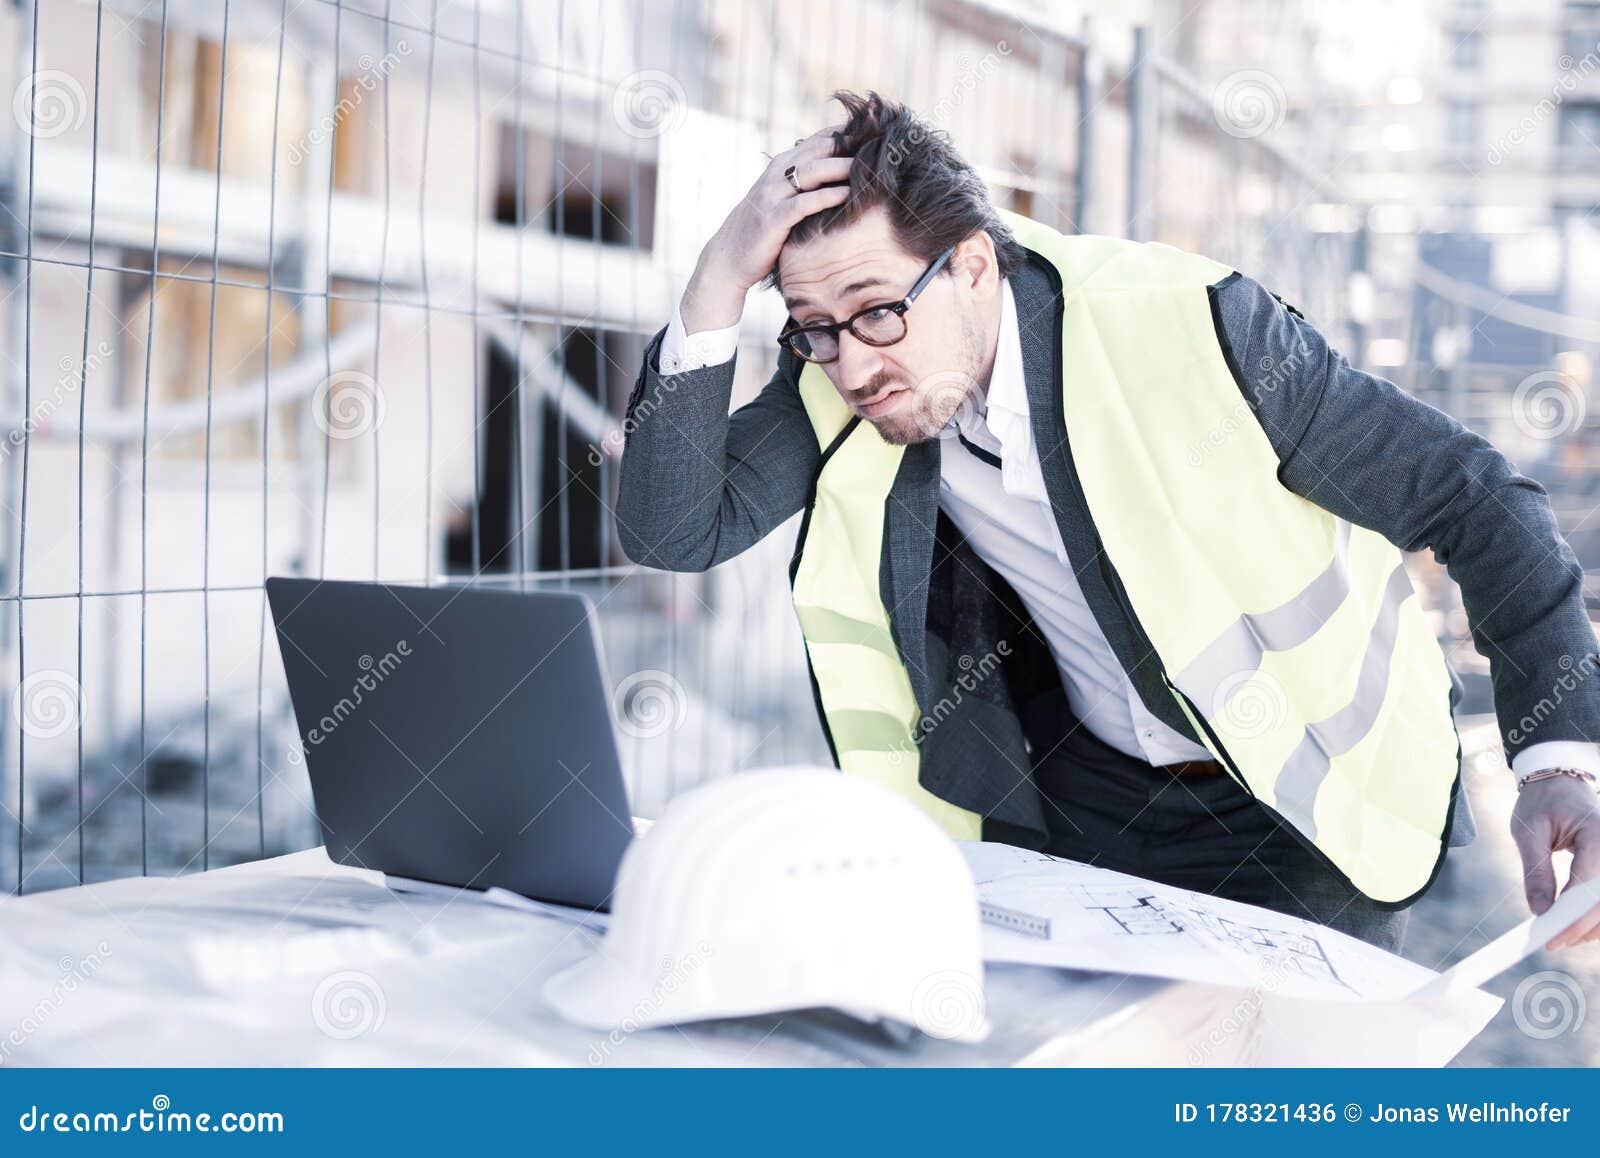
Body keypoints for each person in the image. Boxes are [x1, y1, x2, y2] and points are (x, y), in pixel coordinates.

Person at [613, 90, 1600, 954]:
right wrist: (717, 278)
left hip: (1302, 805)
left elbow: (1476, 501)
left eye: (877, 312)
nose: (854, 365)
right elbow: (672, 531)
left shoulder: (1194, 328)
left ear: (971, 266)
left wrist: (1556, 761)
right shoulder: (844, 374)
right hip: (1087, 804)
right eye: (814, 328)